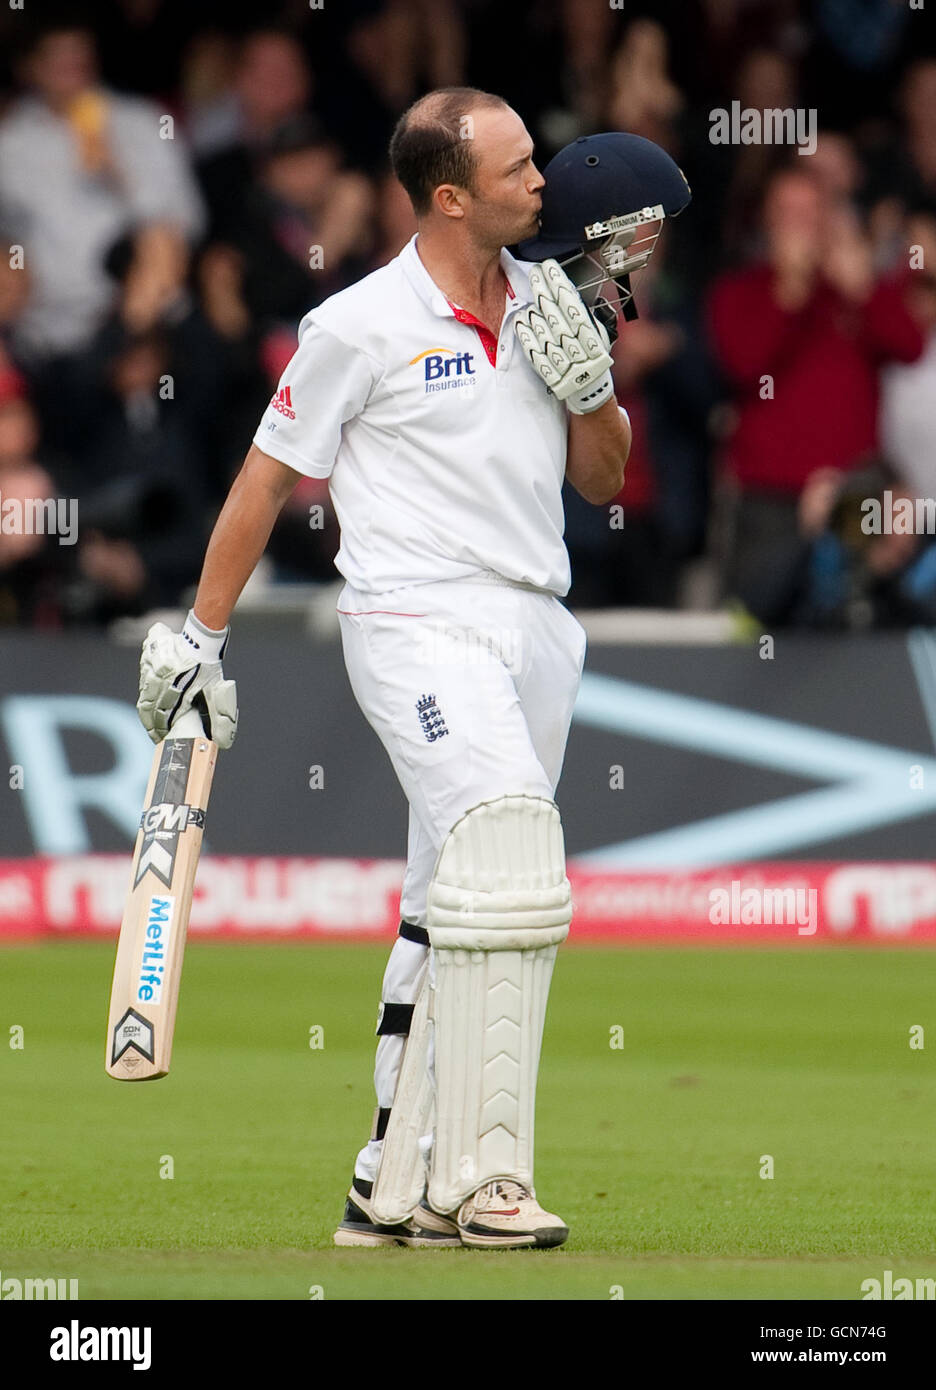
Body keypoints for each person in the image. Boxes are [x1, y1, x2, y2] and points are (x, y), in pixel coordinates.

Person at [134, 87, 631, 1250]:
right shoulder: (357, 323)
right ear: (451, 197)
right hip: (415, 618)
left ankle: (388, 1176)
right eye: (517, 168)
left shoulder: (551, 301)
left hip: (536, 621)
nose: (543, 182)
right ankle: (485, 1180)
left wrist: (594, 389)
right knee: (506, 849)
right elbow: (265, 478)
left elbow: (604, 480)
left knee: (447, 898)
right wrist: (200, 636)